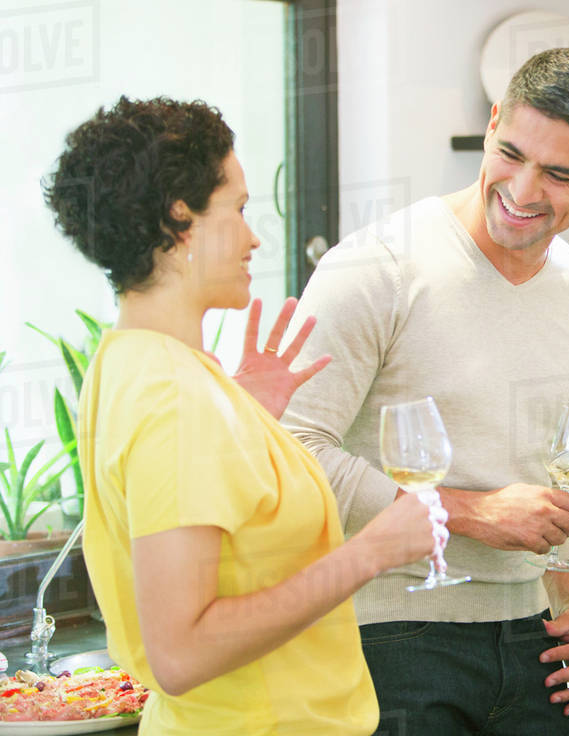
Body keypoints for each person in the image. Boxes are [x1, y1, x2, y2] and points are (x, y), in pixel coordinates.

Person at [43, 96, 436, 735]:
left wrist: (242, 415)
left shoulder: (131, 362)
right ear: (180, 220)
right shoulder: (177, 398)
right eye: (240, 208)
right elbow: (181, 652)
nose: (254, 236)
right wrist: (374, 551)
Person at [280, 47, 569, 735]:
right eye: (510, 153)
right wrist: (467, 512)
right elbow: (290, 449)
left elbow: (548, 470)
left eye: (559, 174)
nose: (524, 191)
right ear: (494, 121)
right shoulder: (376, 268)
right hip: (391, 634)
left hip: (534, 639)